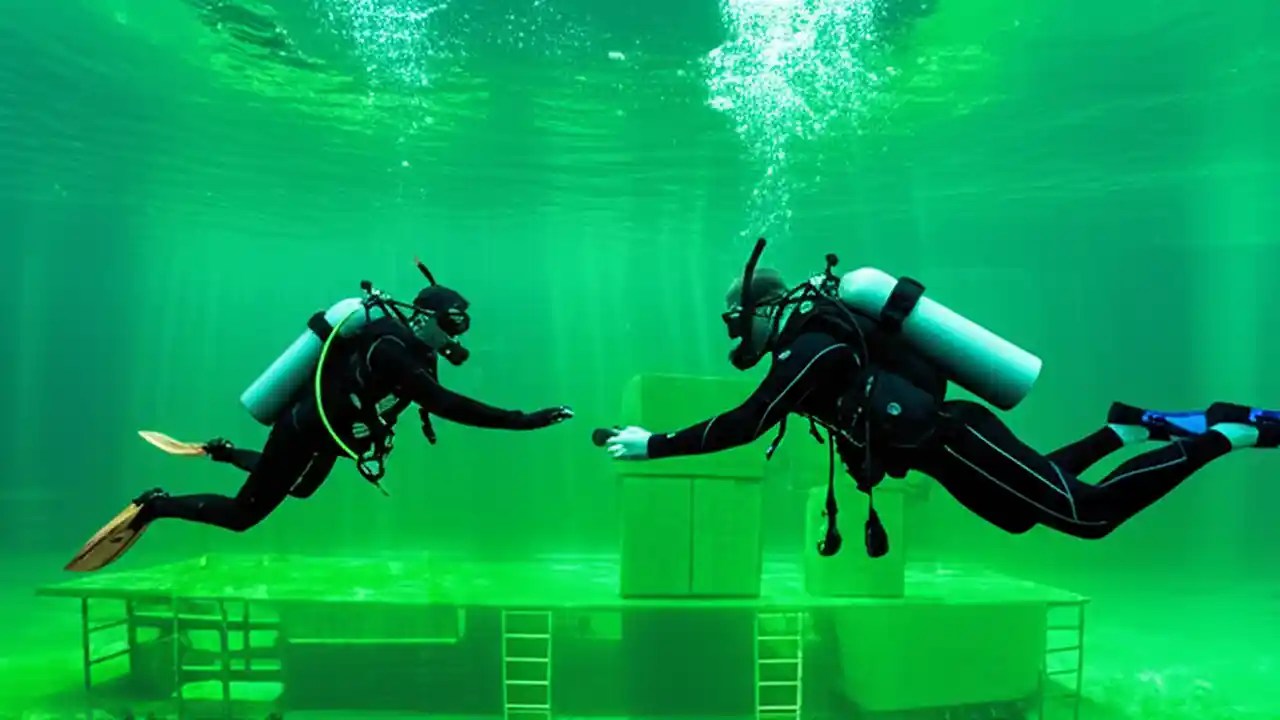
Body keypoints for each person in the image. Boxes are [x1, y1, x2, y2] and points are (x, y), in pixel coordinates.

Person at [599, 240, 1278, 557]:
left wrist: (653, 444)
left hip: (954, 436)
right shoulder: (812, 348)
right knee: (1021, 518)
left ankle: (1225, 434)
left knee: (1090, 516)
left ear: (764, 305)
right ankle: (1123, 431)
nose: (735, 334)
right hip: (943, 452)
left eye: (736, 319)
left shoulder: (814, 345)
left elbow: (749, 423)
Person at [69, 261, 572, 571]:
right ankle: (155, 505)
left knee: (301, 488)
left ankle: (222, 453)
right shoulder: (393, 349)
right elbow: (445, 405)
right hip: (306, 426)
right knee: (245, 516)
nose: (457, 334)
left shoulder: (420, 354)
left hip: (335, 434)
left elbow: (431, 399)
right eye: (452, 323)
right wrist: (520, 420)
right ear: (424, 316)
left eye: (463, 325)